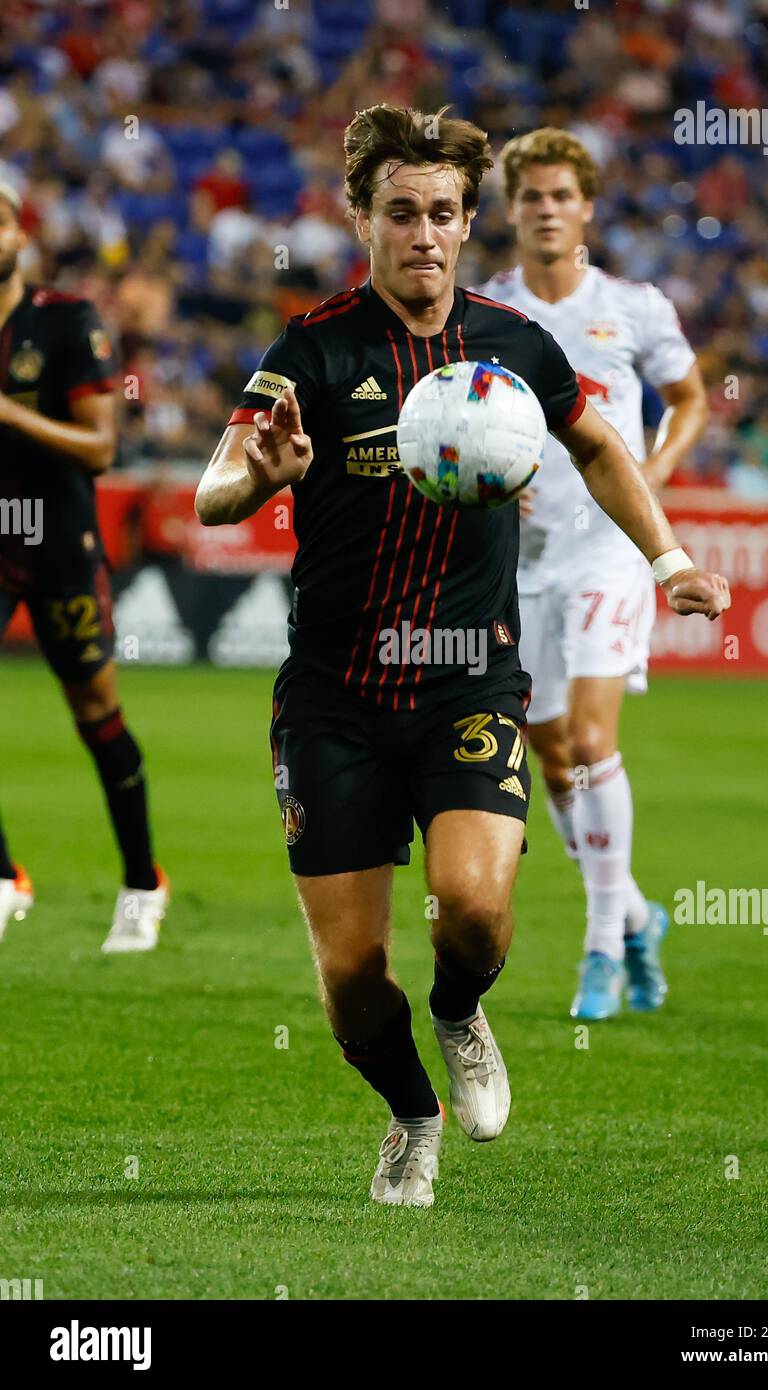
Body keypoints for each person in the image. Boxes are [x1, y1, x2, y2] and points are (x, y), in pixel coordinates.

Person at [195, 105, 729, 1208]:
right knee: (348, 986)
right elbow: (212, 490)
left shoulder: (513, 344)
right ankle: (409, 1113)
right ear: (361, 219)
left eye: (443, 212)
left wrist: (668, 556)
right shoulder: (312, 346)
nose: (424, 234)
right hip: (333, 697)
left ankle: (456, 1013)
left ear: (467, 221)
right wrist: (266, 473)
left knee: (474, 911)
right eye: (400, 213)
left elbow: (596, 442)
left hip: (464, 679)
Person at [478, 129, 709, 1020]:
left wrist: (647, 477)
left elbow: (690, 397)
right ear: (511, 211)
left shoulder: (635, 306)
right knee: (551, 751)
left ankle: (602, 947)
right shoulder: (484, 310)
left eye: (560, 196)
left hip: (610, 548)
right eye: (530, 197)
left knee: (591, 734)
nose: (545, 210)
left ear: (586, 207)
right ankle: (640, 913)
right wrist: (490, 490)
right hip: (520, 560)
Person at [0, 182, 168, 952]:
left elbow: (100, 448)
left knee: (95, 714)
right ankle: (7, 879)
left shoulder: (66, 321)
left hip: (59, 544)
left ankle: (142, 882)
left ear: (20, 237)